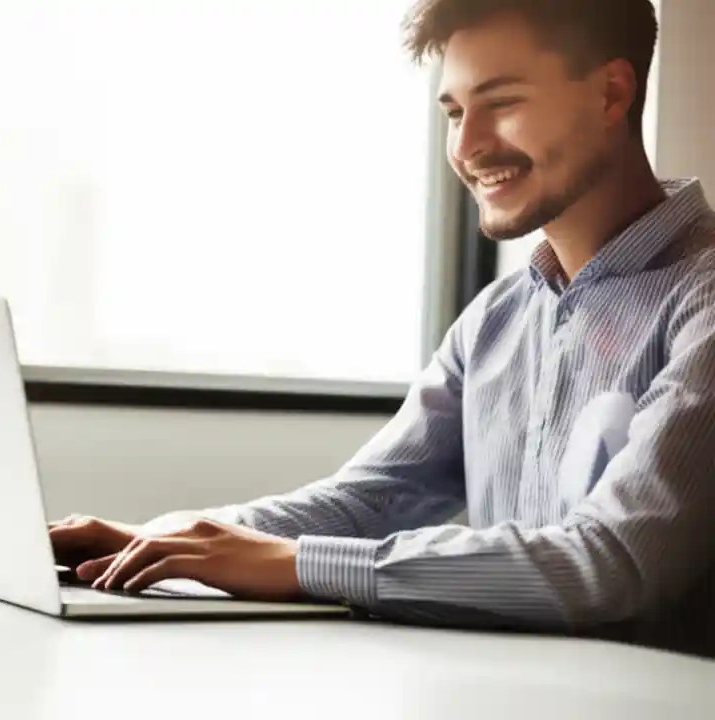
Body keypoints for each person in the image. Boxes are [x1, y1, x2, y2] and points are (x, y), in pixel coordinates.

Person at [50, 0, 715, 656]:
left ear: (610, 93)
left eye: (502, 102)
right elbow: (370, 499)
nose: (468, 146)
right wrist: (169, 538)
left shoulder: (701, 297)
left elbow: (612, 561)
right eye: (454, 113)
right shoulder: (498, 318)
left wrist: (297, 564)